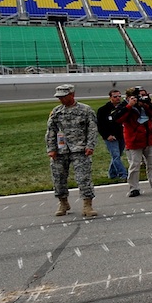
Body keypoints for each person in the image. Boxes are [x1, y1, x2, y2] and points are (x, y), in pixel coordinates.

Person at [46, 84, 99, 217]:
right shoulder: (57, 112)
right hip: (60, 150)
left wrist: (90, 146)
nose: (61, 100)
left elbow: (92, 130)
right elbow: (51, 131)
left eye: (64, 96)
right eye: (59, 97)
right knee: (58, 177)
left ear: (72, 95)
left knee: (83, 178)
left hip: (80, 149)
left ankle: (87, 205)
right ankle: (63, 202)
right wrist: (51, 149)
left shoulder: (85, 110)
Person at [114, 86, 152, 197]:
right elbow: (118, 118)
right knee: (135, 165)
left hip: (149, 138)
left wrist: (145, 104)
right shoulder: (123, 106)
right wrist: (129, 106)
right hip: (134, 139)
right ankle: (133, 188)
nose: (140, 98)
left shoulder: (146, 104)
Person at [96, 88, 128, 181]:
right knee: (115, 155)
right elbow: (100, 125)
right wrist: (107, 136)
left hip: (121, 135)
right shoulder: (103, 110)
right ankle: (123, 174)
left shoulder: (122, 108)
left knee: (118, 155)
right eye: (115, 97)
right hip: (110, 137)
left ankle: (112, 174)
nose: (118, 98)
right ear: (110, 98)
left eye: (119, 96)